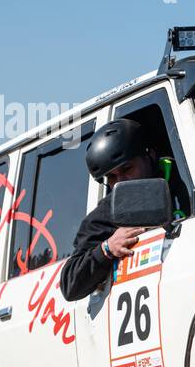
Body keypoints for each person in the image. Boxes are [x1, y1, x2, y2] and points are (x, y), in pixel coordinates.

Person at [60, 119, 157, 302]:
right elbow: (69, 284)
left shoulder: (182, 179)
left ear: (149, 156)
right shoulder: (106, 214)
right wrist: (107, 249)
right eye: (112, 176)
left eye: (127, 168)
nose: (120, 181)